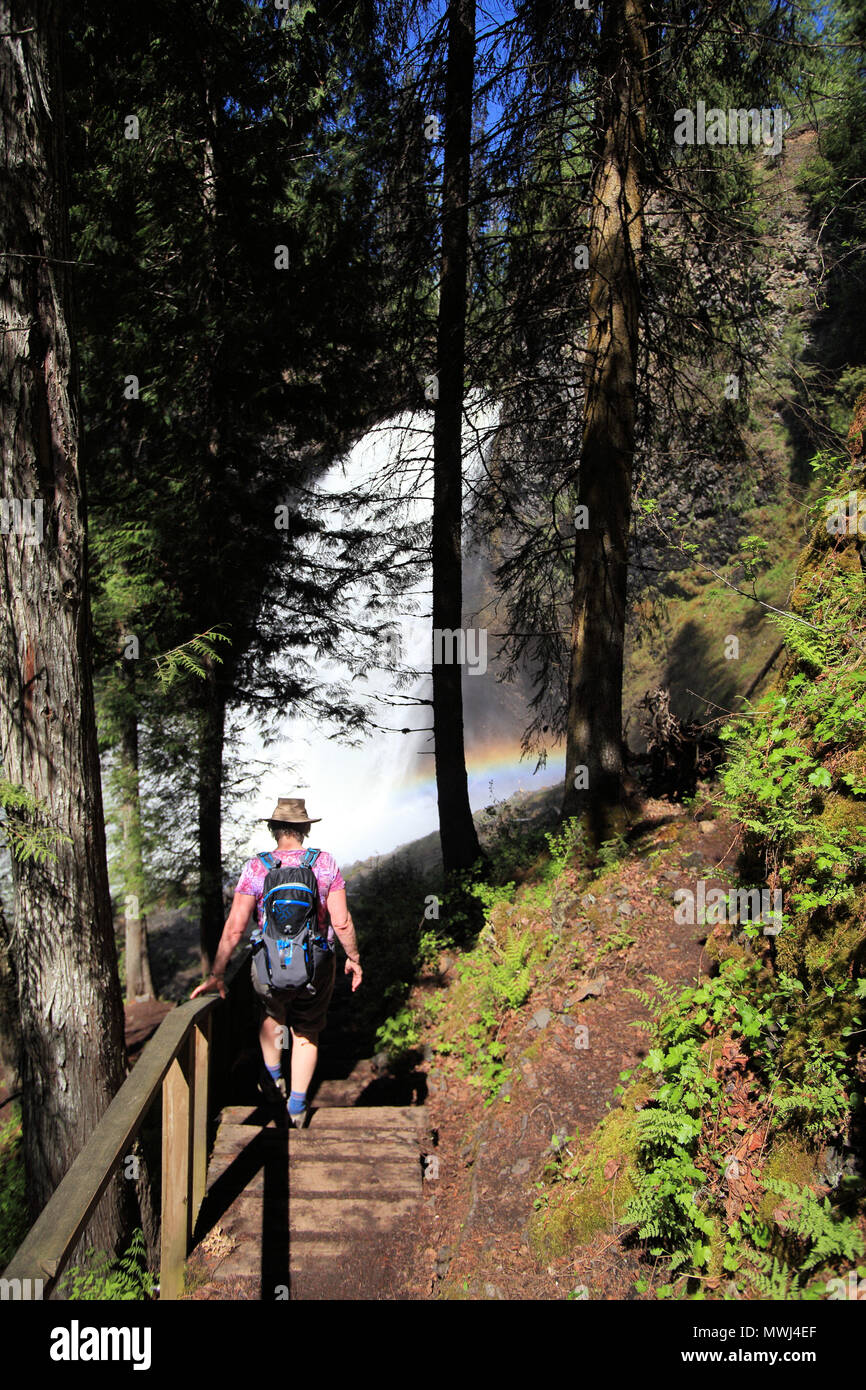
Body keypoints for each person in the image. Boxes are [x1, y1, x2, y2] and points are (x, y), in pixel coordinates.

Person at [191, 796, 362, 1128]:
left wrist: (217, 972)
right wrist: (353, 958)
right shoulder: (324, 864)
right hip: (317, 965)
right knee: (307, 1031)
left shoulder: (258, 867)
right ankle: (297, 1107)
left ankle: (273, 1081)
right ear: (304, 829)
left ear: (272, 829)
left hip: (268, 965)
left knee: (272, 1014)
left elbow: (236, 926)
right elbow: (341, 922)